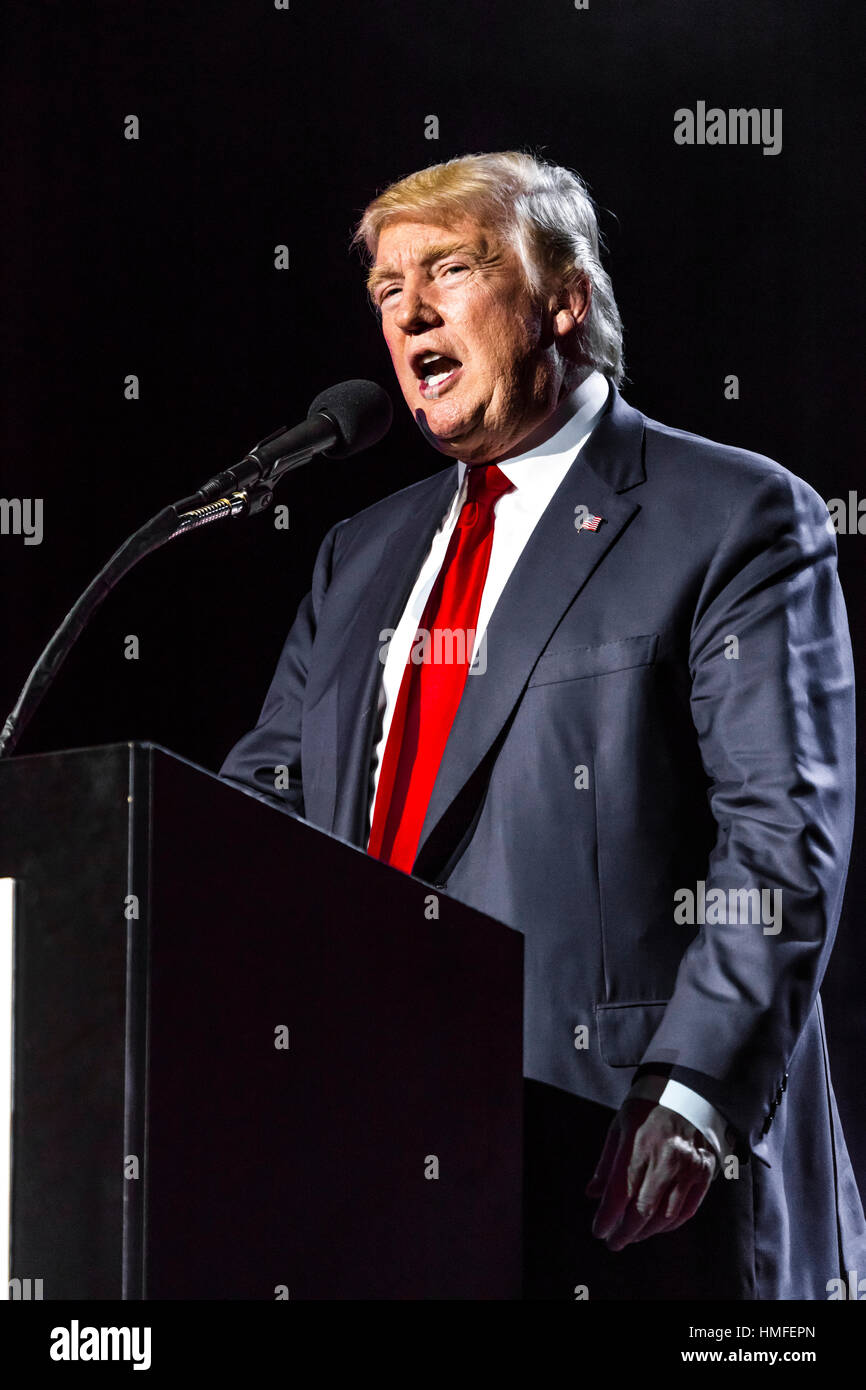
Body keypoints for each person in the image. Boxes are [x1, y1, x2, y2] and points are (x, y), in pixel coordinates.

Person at [220, 151, 866, 1299]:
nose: (407, 309)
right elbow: (264, 809)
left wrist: (691, 1088)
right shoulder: (359, 554)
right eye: (383, 291)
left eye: (449, 269)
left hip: (614, 1158)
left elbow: (778, 837)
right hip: (385, 1156)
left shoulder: (729, 513)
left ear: (562, 298)